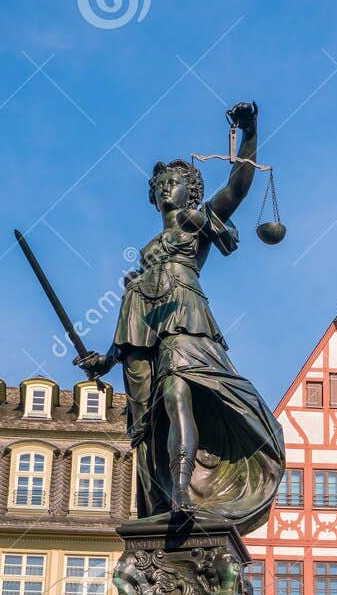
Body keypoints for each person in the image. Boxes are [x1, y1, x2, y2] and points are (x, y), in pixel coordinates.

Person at [76, 101, 284, 534]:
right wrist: (105, 360)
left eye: (174, 182)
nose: (165, 188)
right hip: (144, 324)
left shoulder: (198, 222)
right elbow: (138, 321)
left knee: (177, 394)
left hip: (185, 320)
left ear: (189, 189)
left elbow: (240, 186)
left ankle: (183, 491)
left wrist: (250, 131)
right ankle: (165, 495)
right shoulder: (149, 251)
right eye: (160, 184)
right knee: (154, 423)